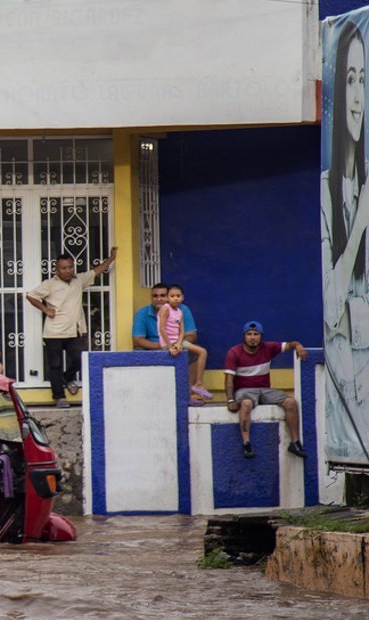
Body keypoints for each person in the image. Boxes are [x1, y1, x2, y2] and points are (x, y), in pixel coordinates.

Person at [322, 20, 369, 457]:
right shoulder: (327, 189)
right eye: (349, 80)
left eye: (363, 81)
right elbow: (334, 298)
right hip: (349, 387)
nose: (357, 96)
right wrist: (358, 225)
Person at [26, 248, 118, 407]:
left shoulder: (78, 280)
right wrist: (46, 310)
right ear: (57, 269)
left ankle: (67, 377)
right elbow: (31, 295)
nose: (68, 270)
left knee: (80, 359)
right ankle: (59, 397)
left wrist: (111, 259)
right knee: (55, 365)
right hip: (54, 332)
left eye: (70, 267)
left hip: (75, 330)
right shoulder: (49, 284)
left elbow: (96, 271)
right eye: (64, 268)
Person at [224, 322, 308, 460]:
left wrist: (298, 346)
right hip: (245, 390)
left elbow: (290, 344)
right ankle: (246, 443)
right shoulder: (234, 352)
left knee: (291, 402)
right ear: (244, 336)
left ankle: (295, 442)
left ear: (261, 336)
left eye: (256, 334)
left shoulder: (268, 348)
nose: (252, 337)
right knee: (246, 404)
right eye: (249, 334)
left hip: (265, 390)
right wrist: (230, 399)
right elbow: (228, 379)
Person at [156, 284, 213, 405]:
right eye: (172, 296)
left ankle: (198, 384)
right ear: (167, 298)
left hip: (177, 342)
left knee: (202, 352)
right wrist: (170, 346)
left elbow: (181, 331)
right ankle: (185, 396)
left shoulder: (180, 311)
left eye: (178, 296)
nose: (175, 298)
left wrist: (179, 343)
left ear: (182, 297)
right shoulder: (165, 309)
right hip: (167, 343)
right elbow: (162, 329)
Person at [132, 283, 199, 350]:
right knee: (138, 350)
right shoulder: (142, 313)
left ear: (168, 297)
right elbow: (137, 340)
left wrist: (177, 345)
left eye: (162, 296)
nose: (159, 299)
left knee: (194, 352)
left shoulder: (182, 309)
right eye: (155, 296)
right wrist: (163, 346)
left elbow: (191, 335)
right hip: (153, 348)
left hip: (178, 346)